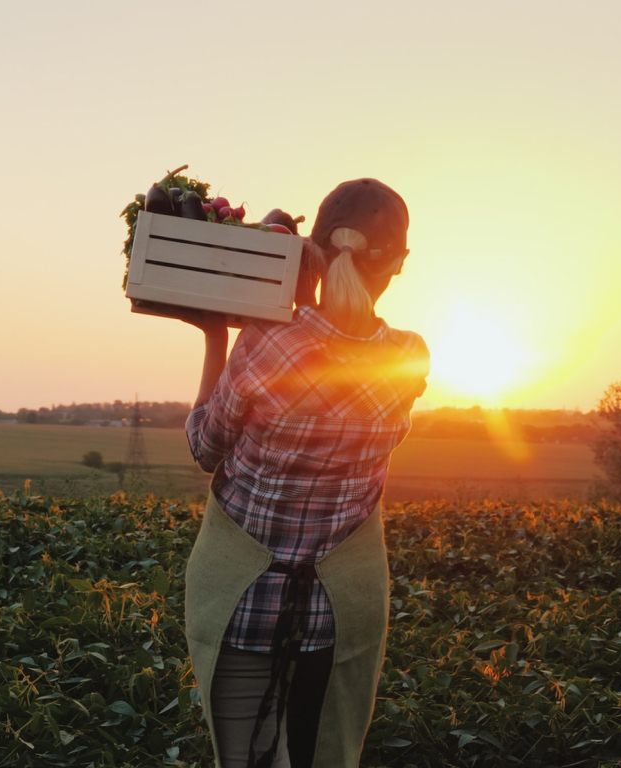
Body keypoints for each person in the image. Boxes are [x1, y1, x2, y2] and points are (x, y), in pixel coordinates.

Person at [180, 179, 430, 768]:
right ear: (397, 263)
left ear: (311, 250)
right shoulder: (409, 357)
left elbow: (204, 446)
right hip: (337, 617)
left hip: (244, 606)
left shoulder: (266, 344)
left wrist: (216, 335)